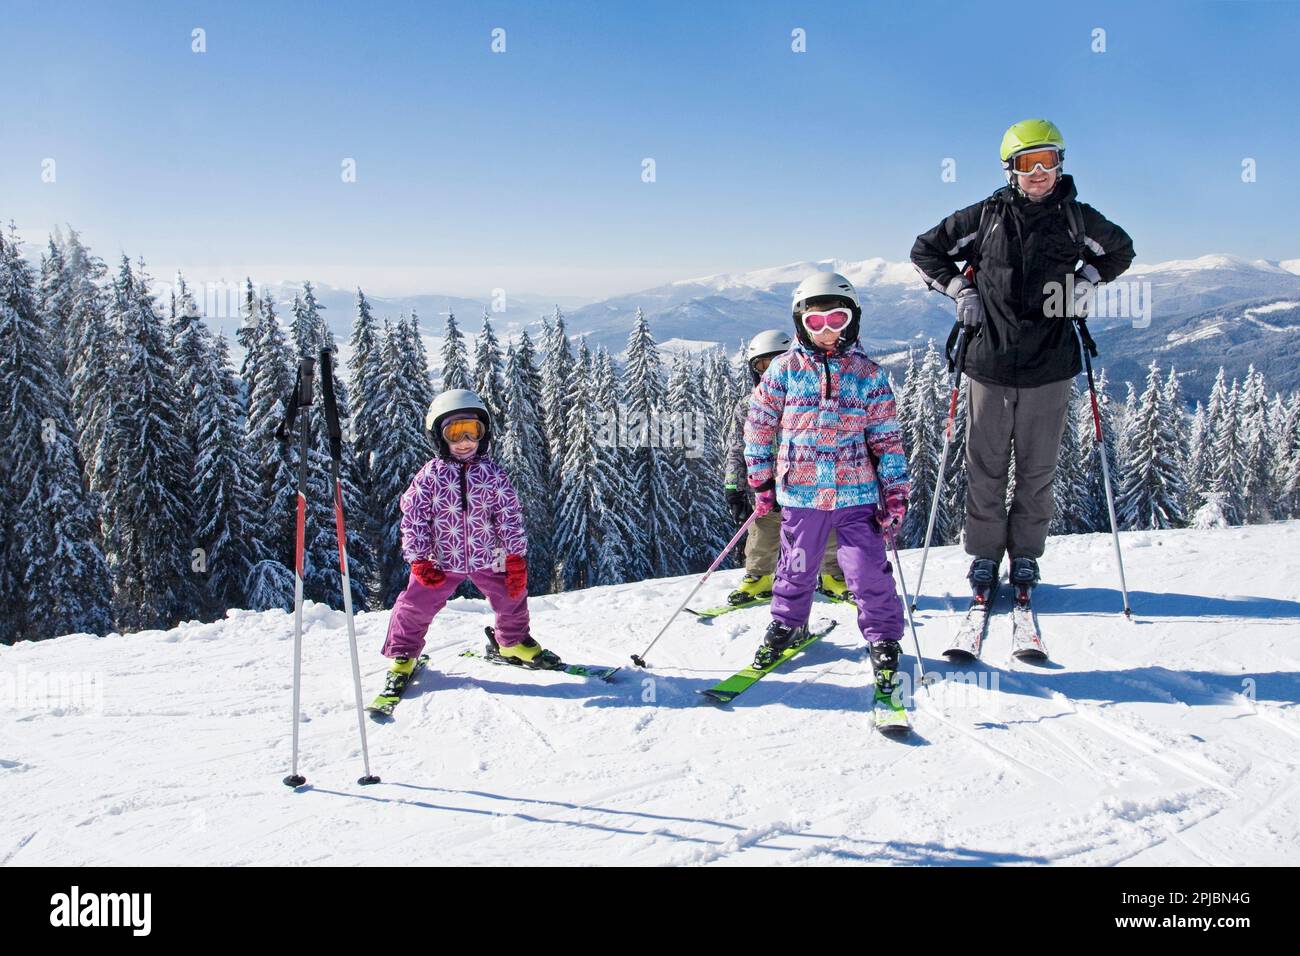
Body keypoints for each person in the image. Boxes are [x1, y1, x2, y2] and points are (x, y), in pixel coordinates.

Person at [910, 118, 1134, 598]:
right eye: (1027, 163)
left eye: (1046, 161)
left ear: (1060, 164)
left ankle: (1026, 557)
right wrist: (960, 289)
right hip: (988, 363)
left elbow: (1120, 251)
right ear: (1010, 169)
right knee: (985, 468)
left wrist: (1088, 280)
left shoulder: (1077, 220)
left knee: (1038, 470)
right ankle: (985, 558)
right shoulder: (985, 218)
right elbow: (925, 250)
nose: (1038, 173)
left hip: (1050, 366)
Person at [744, 272, 911, 699]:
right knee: (796, 566)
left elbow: (887, 440)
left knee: (867, 570)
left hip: (857, 496)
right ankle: (788, 623)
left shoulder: (868, 375)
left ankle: (883, 636)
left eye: (837, 319)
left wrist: (895, 492)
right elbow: (759, 427)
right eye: (815, 322)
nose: (826, 330)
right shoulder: (783, 371)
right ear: (800, 324)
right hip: (800, 495)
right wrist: (761, 481)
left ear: (852, 319)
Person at [377, 389, 561, 700]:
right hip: (440, 558)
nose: (464, 441)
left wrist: (515, 555)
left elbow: (508, 515)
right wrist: (419, 559)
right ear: (439, 436)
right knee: (414, 605)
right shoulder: (430, 476)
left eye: (472, 431)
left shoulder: (492, 474)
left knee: (512, 595)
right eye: (455, 433)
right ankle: (404, 654)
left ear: (483, 434)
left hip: (490, 553)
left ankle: (512, 641)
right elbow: (414, 517)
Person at [723, 330, 850, 606]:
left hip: (809, 481)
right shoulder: (747, 405)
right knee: (763, 528)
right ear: (754, 370)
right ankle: (760, 576)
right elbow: (736, 448)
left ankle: (832, 575)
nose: (770, 371)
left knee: (826, 526)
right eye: (762, 365)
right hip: (767, 484)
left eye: (775, 362)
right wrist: (733, 487)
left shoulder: (809, 398)